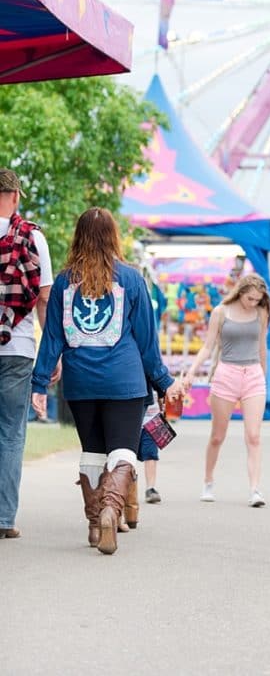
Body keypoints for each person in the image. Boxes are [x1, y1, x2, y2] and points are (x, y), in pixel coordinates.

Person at [31, 208, 182, 555]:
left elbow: (52, 337)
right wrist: (163, 380)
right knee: (123, 451)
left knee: (93, 451)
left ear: (78, 237)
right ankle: (111, 511)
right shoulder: (131, 280)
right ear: (114, 236)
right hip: (125, 381)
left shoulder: (64, 283)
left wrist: (39, 384)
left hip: (81, 382)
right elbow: (146, 341)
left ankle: (93, 522)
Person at [182, 273, 270, 508]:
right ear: (240, 292)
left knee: (254, 436)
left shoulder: (261, 312)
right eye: (250, 298)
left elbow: (262, 346)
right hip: (226, 375)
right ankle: (208, 482)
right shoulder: (221, 312)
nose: (253, 302)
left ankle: (255, 489)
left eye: (257, 299)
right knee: (217, 436)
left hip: (253, 375)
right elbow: (208, 346)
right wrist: (191, 372)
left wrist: (263, 376)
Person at [0, 169, 54, 540]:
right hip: (17, 348)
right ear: (16, 195)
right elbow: (45, 299)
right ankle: (4, 518)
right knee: (10, 433)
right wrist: (52, 353)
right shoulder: (33, 237)